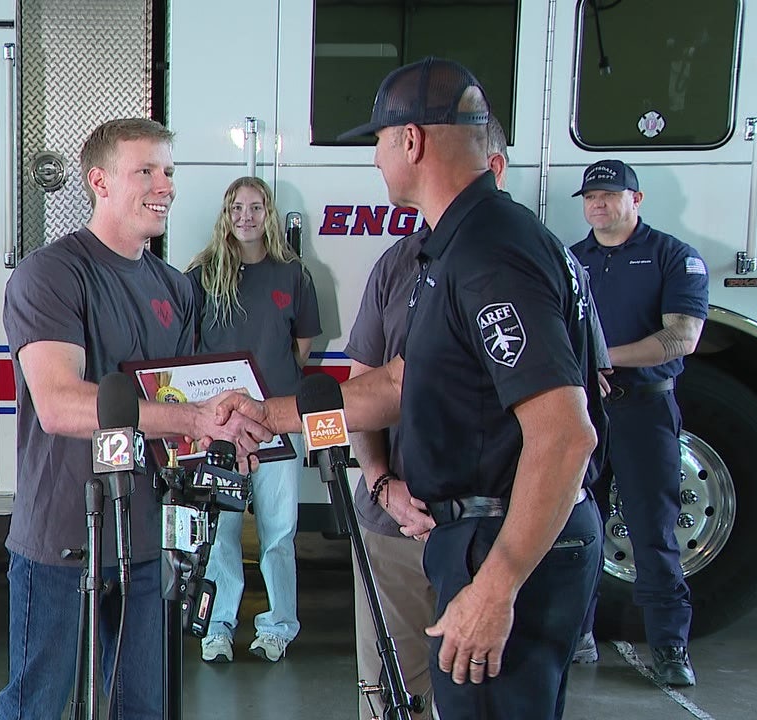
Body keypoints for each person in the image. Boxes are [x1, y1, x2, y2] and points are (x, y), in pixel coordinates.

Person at [213, 58, 607, 720]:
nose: (376, 158)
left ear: (412, 141)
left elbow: (566, 434)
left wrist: (495, 587)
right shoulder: (452, 250)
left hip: (501, 540)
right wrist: (267, 414)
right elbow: (396, 384)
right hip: (473, 537)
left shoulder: (492, 253)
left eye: (378, 141)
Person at [0, 117, 269, 720]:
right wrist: (192, 419)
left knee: (141, 706)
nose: (164, 186)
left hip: (149, 541)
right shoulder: (52, 274)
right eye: (145, 170)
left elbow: (190, 404)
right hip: (64, 537)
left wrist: (225, 432)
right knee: (36, 704)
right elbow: (60, 403)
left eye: (169, 171)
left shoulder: (176, 287)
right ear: (99, 181)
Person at [344, 116, 509, 718]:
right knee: (388, 692)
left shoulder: (521, 263)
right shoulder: (395, 266)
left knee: (478, 695)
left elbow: (568, 417)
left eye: (383, 145)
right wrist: (382, 483)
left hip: (481, 534)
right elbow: (365, 388)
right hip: (393, 523)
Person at [569, 159, 707, 686]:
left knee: (653, 530)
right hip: (585, 411)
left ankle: (670, 647)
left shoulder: (672, 256)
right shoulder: (572, 259)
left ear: (636, 199)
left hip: (645, 409)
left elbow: (680, 338)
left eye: (609, 195)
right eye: (590, 197)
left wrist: (603, 358)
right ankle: (577, 635)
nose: (598, 204)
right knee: (578, 530)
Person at [187, 176, 320, 664]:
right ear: (226, 213)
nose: (247, 216)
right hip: (220, 429)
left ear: (269, 213)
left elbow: (301, 347)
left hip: (278, 425)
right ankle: (218, 625)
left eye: (256, 207)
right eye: (237, 207)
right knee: (220, 533)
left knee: (279, 532)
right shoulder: (202, 275)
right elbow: (186, 352)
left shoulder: (293, 275)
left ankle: (278, 626)